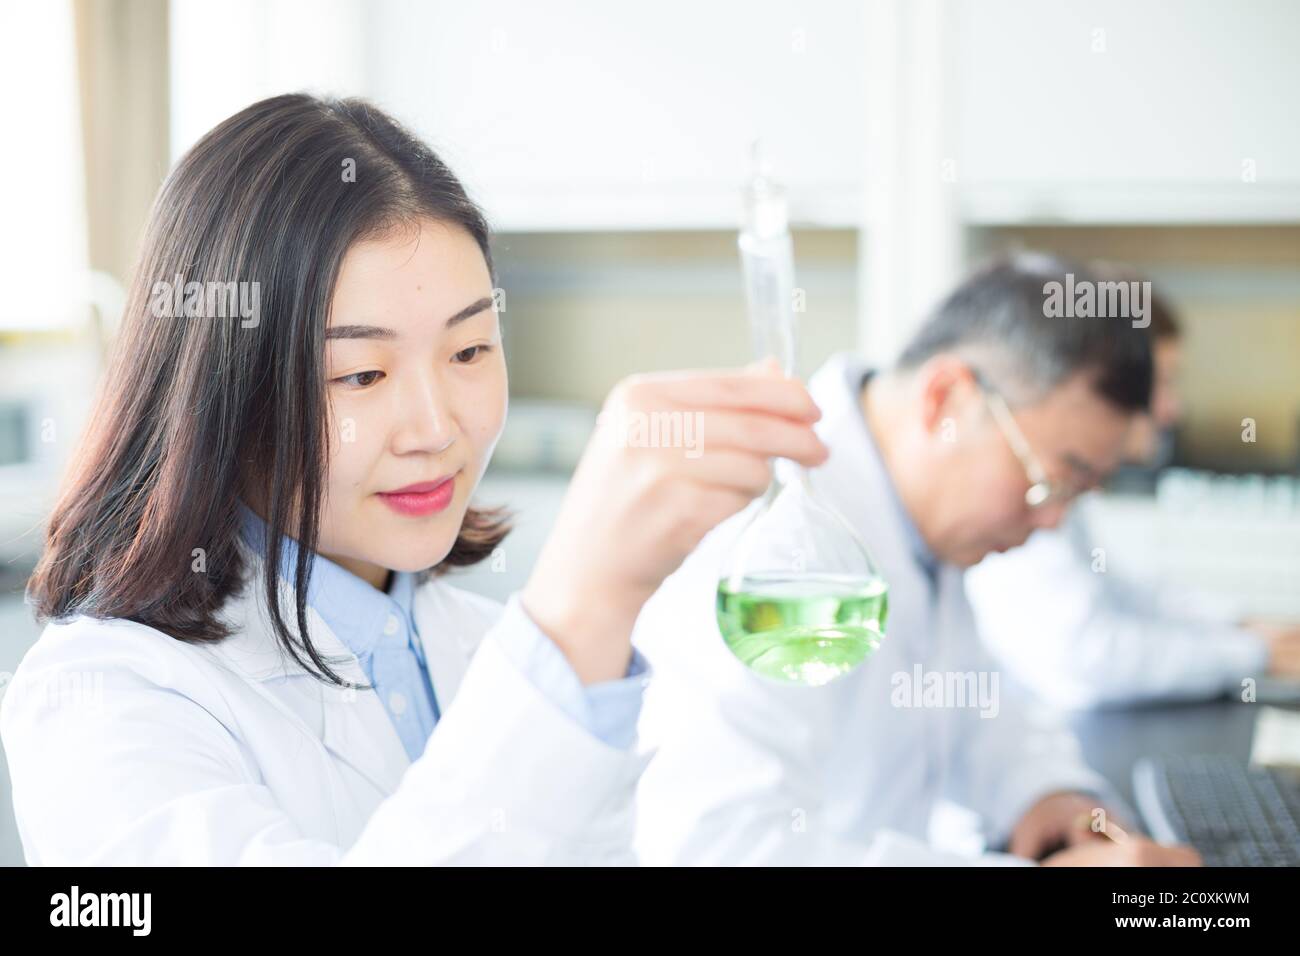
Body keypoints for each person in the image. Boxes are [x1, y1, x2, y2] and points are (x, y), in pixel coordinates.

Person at [0, 94, 829, 865]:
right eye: (361, 374)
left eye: (470, 351)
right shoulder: (104, 698)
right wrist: (582, 608)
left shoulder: (472, 642)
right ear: (222, 392)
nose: (437, 429)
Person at [632, 253, 1200, 866]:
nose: (1052, 519)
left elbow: (972, 708)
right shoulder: (776, 539)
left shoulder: (923, 522)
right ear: (946, 399)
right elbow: (724, 847)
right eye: (1055, 478)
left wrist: (1048, 793)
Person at [965, 272, 1300, 707]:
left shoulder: (1066, 484)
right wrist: (1250, 652)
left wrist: (1241, 626)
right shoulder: (1028, 486)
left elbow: (1118, 592)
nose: (1171, 408)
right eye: (1161, 382)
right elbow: (1089, 653)